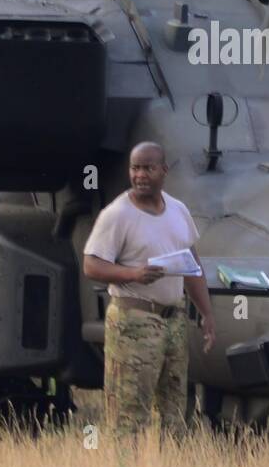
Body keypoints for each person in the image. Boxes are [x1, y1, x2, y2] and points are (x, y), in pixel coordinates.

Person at [83, 141, 216, 438]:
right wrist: (133, 273)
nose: (140, 175)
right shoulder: (116, 215)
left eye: (148, 168)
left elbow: (192, 266)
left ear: (163, 171)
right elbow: (91, 265)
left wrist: (206, 314)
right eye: (135, 168)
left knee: (174, 411)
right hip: (134, 321)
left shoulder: (178, 211)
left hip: (174, 321)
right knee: (130, 412)